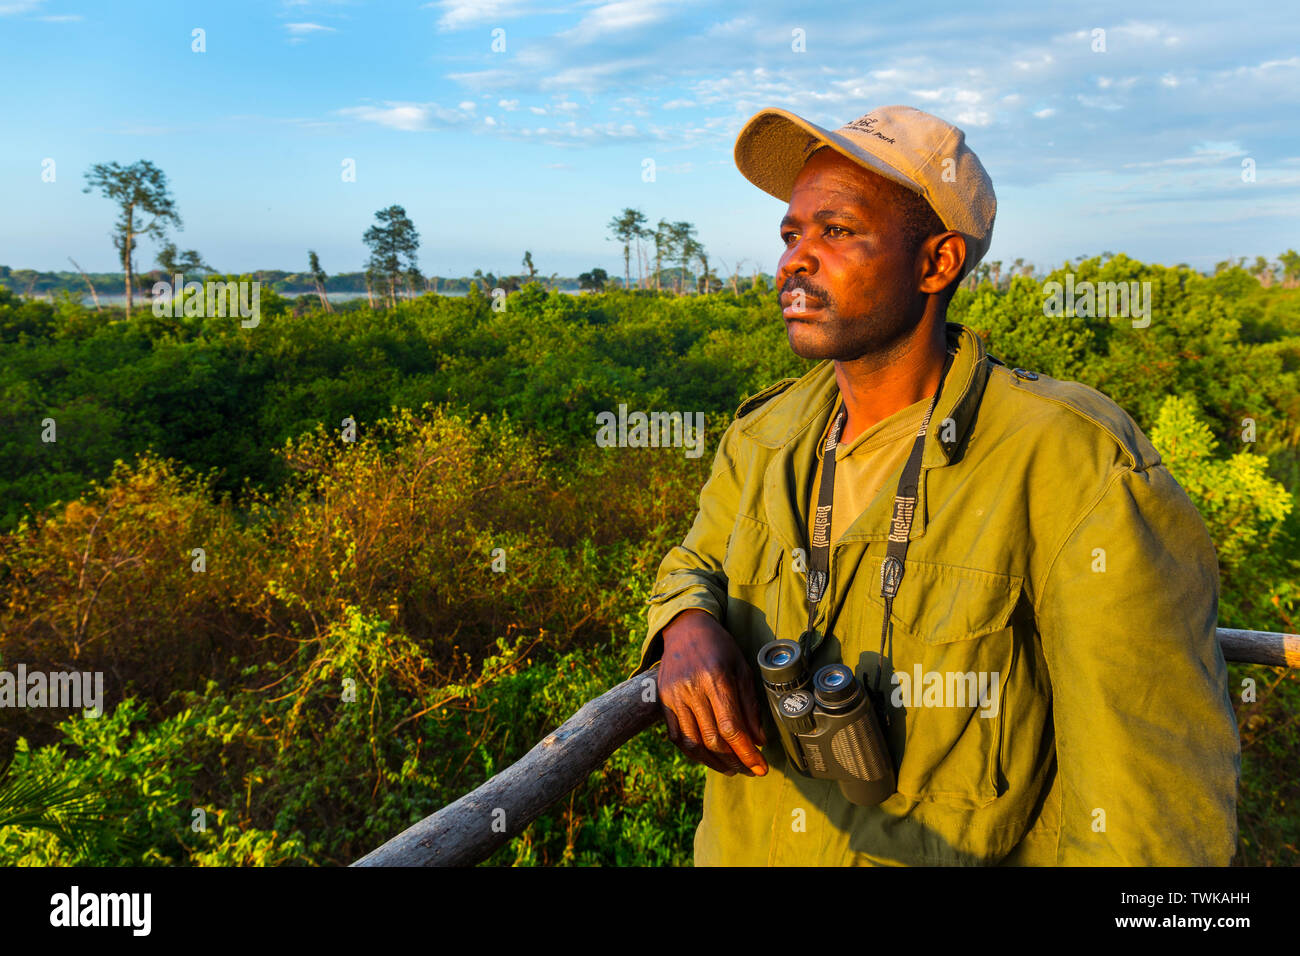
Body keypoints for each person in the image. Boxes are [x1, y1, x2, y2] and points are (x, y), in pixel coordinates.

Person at [631, 104, 1240, 866]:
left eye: (838, 231)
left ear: (937, 263)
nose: (794, 259)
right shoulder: (765, 436)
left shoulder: (1070, 463)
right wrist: (684, 627)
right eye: (792, 235)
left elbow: (1149, 811)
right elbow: (697, 562)